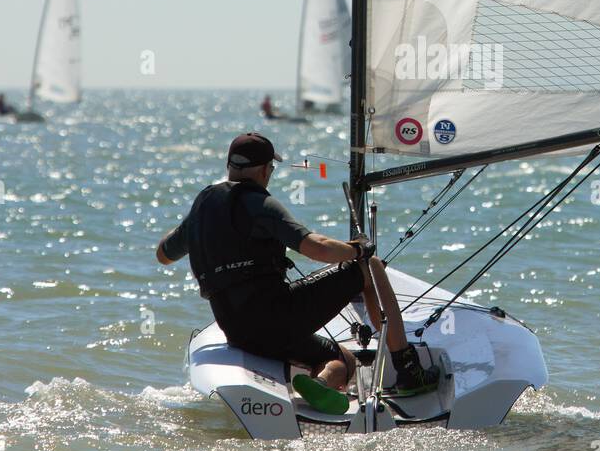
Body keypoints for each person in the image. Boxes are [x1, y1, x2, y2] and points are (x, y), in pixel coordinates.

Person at [155, 132, 439, 414]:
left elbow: (163, 255)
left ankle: (323, 383)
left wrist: (197, 227)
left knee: (343, 359)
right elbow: (317, 248)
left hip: (237, 330)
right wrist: (358, 250)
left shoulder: (202, 207)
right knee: (370, 268)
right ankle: (408, 367)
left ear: (230, 165)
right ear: (266, 169)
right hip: (277, 319)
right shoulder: (260, 204)